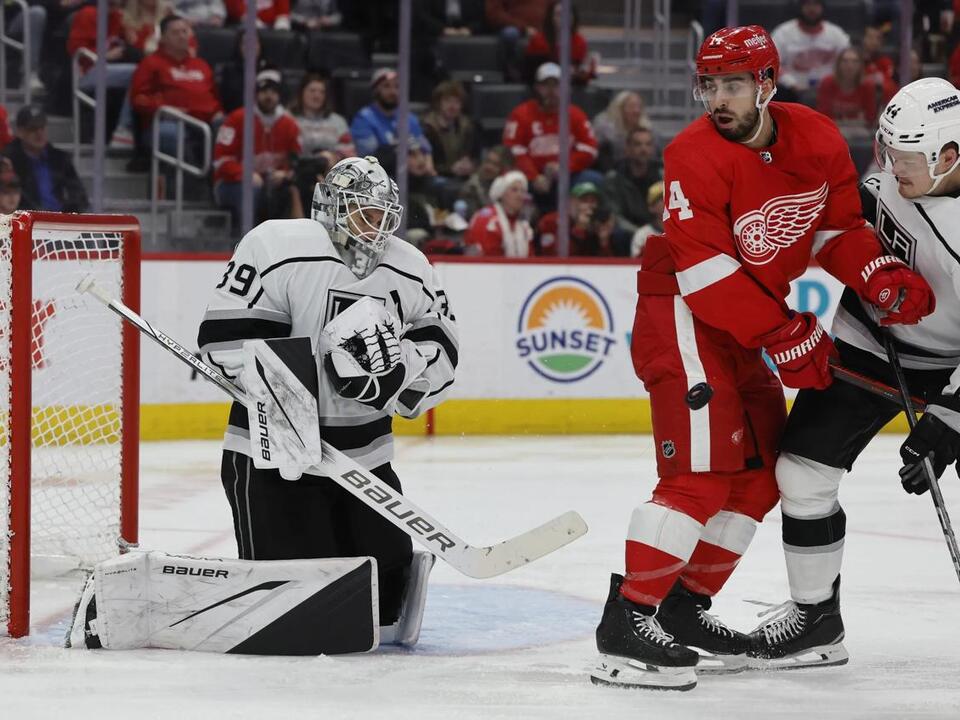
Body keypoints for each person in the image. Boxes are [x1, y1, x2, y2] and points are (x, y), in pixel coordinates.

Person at [590, 25, 933, 692]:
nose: (718, 99)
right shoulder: (692, 154)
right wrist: (783, 333)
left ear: (767, 84)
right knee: (698, 477)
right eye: (709, 85)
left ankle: (683, 607)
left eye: (733, 85)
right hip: (684, 315)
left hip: (746, 325)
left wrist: (877, 273)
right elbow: (705, 275)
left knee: (757, 479)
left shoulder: (817, 137)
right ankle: (627, 623)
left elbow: (837, 228)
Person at [196, 154, 458, 645]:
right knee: (295, 603)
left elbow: (444, 351)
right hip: (274, 457)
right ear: (332, 206)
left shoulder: (412, 266)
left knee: (384, 599)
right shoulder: (275, 245)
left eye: (383, 215)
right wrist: (298, 382)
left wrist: (397, 370)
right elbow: (223, 339)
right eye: (364, 212)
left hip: (365, 459)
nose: (375, 226)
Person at [747, 76, 960, 668]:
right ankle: (816, 620)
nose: (889, 167)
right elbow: (847, 223)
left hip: (950, 369)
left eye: (905, 157)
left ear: (949, 156)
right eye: (885, 150)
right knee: (801, 472)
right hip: (869, 339)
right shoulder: (899, 172)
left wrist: (949, 420)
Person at [213, 67, 301, 232]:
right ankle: (245, 238)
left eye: (273, 92)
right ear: (256, 94)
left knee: (291, 188)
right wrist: (245, 174)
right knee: (251, 189)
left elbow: (296, 160)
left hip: (270, 183)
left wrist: (285, 174)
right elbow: (221, 162)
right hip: (232, 184)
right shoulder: (236, 119)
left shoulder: (289, 124)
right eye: (264, 91)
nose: (269, 96)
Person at [503, 62, 598, 212]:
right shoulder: (521, 114)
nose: (551, 91)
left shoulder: (575, 114)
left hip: (566, 175)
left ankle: (582, 222)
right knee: (511, 181)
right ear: (537, 88)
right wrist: (534, 176)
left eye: (556, 85)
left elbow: (590, 149)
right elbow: (513, 149)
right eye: (546, 85)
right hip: (531, 177)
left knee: (593, 179)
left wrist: (564, 167)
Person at [130, 15, 222, 153]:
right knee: (171, 134)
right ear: (163, 38)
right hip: (171, 121)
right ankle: (188, 168)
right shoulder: (150, 63)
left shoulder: (201, 64)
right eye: (175, 33)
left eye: (185, 31)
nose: (182, 36)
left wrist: (218, 112)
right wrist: (165, 109)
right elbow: (138, 99)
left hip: (206, 120)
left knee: (231, 129)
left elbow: (214, 96)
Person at [2, 105, 88, 213]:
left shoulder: (60, 158)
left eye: (42, 127)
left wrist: (70, 213)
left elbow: (78, 193)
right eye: (33, 128)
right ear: (20, 132)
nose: (39, 133)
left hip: (60, 218)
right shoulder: (8, 160)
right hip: (26, 218)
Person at [350, 68, 433, 167]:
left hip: (412, 171)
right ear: (375, 90)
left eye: (397, 86)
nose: (393, 92)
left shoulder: (407, 117)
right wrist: (407, 161)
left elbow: (425, 148)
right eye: (386, 86)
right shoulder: (364, 118)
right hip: (379, 173)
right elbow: (369, 157)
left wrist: (427, 165)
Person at [771, 0, 849, 103]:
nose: (812, 9)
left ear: (822, 7)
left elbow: (849, 61)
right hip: (791, 93)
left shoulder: (836, 34)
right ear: (800, 7)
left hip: (831, 91)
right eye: (808, 4)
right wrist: (790, 83)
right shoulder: (782, 33)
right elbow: (771, 64)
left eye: (816, 4)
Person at [602, 126, 661, 233]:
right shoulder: (614, 178)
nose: (644, 149)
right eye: (638, 144)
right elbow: (615, 216)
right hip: (627, 234)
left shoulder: (662, 176)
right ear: (627, 149)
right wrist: (640, 233)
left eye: (648, 144)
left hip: (658, 231)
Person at [524, 1, 595, 85]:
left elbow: (584, 75)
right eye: (559, 14)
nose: (564, 18)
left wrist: (585, 70)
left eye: (567, 14)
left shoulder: (580, 42)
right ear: (551, 17)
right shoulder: (538, 41)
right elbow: (531, 72)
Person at [464, 170, 532, 256]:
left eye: (523, 191)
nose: (520, 195)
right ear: (501, 193)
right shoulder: (486, 219)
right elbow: (487, 258)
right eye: (514, 190)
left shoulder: (523, 224)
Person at [289, 72, 354, 160]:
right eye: (312, 91)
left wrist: (332, 157)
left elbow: (349, 153)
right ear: (301, 93)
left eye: (322, 92)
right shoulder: (289, 119)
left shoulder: (338, 121)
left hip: (332, 166)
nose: (317, 96)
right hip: (298, 166)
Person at [421, 80, 476, 180]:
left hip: (462, 176)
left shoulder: (467, 126)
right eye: (447, 101)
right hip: (436, 177)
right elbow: (425, 164)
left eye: (457, 102)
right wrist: (450, 170)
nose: (452, 106)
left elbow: (473, 155)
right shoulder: (427, 128)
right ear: (438, 103)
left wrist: (469, 164)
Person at [816, 47, 879, 129]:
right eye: (845, 61)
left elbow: (870, 118)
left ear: (860, 66)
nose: (850, 66)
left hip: (859, 130)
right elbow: (823, 116)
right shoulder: (827, 83)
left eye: (855, 61)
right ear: (838, 65)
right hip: (832, 129)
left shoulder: (867, 86)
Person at [592, 90, 652, 171]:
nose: (636, 111)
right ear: (619, 108)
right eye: (631, 107)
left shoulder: (648, 129)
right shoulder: (605, 130)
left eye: (639, 107)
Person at [457, 145, 511, 217]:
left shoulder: (509, 190)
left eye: (495, 165)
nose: (489, 167)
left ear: (504, 169)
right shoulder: (471, 188)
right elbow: (475, 217)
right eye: (487, 161)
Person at [630, 180, 664, 258]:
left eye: (669, 197)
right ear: (651, 207)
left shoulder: (683, 230)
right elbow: (636, 262)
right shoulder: (642, 234)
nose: (667, 201)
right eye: (661, 199)